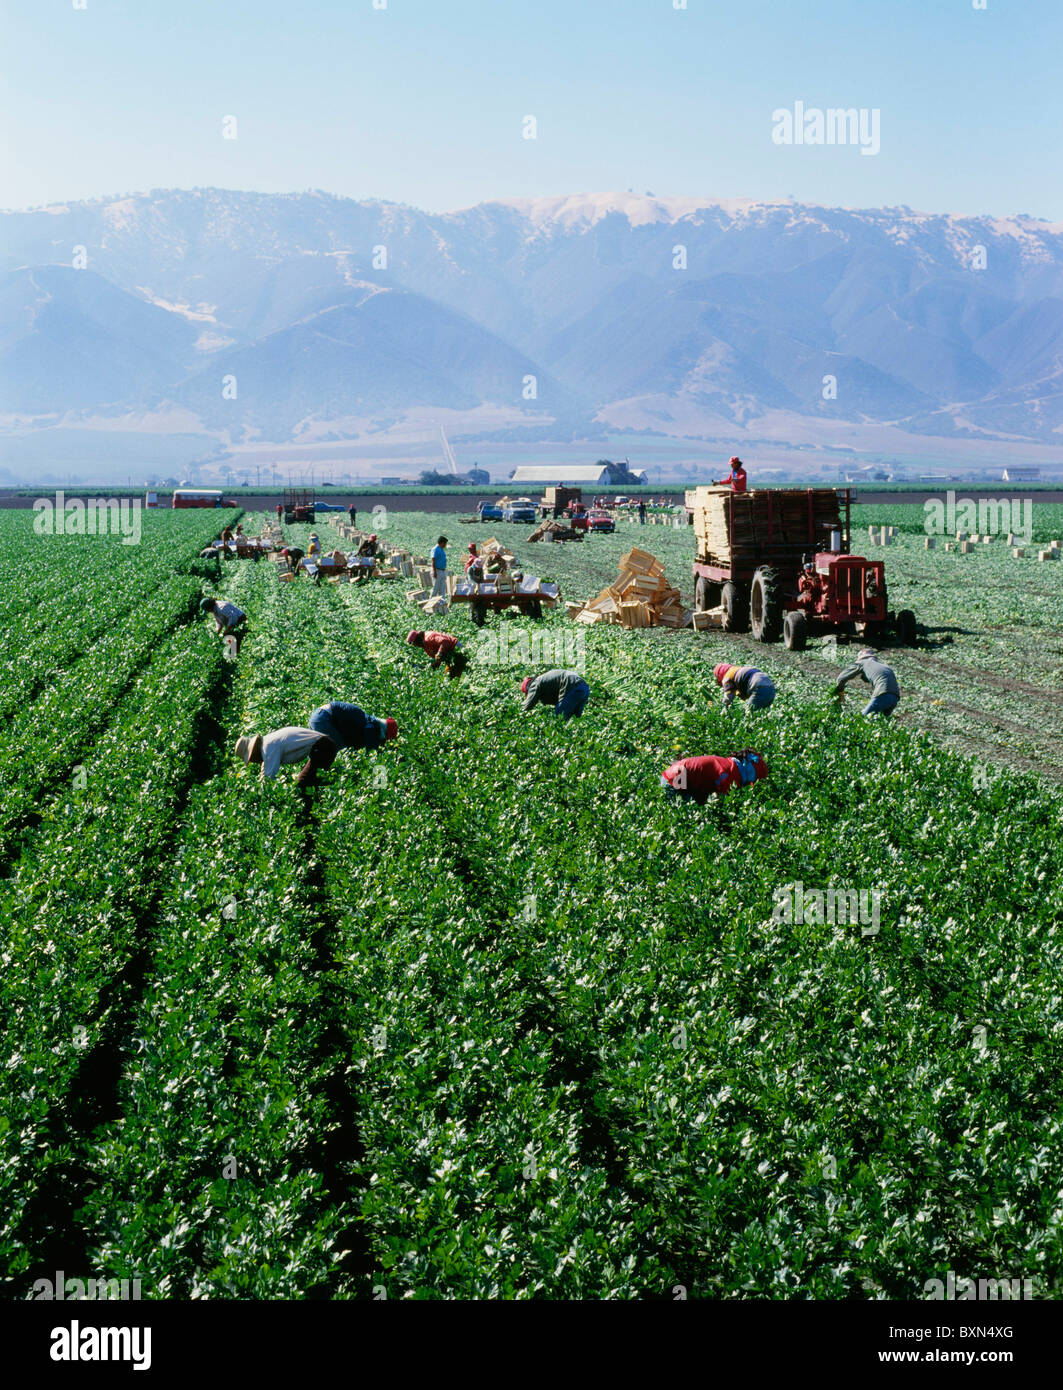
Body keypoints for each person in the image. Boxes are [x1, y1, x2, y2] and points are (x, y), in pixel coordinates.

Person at [235, 728, 338, 787]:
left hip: (323, 747)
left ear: (253, 752)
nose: (254, 761)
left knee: (301, 784)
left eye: (251, 758)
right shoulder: (267, 743)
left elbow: (268, 778)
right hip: (322, 745)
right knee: (312, 782)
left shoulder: (268, 748)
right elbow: (265, 770)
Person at [661, 749, 769, 804]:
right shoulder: (731, 774)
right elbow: (718, 802)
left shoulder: (731, 765)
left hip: (676, 777)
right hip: (673, 782)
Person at [833, 647, 901, 717]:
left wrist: (839, 693)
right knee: (881, 722)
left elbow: (841, 678)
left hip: (883, 693)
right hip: (895, 697)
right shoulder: (885, 667)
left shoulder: (863, 662)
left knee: (862, 718)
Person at [307, 701, 398, 751]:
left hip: (317, 716)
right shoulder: (371, 725)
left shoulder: (367, 719)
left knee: (319, 751)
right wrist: (374, 750)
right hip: (323, 719)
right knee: (335, 749)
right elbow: (369, 734)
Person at [521, 670, 590, 721]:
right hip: (584, 688)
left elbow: (528, 705)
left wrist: (520, 715)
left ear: (528, 687)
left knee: (559, 717)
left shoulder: (535, 683)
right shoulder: (544, 681)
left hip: (572, 684)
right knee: (575, 719)